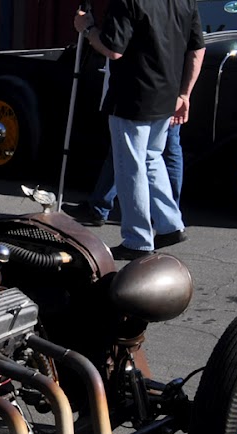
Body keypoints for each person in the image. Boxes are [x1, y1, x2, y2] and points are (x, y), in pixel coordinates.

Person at [74, 0, 204, 260]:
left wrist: (87, 29)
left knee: (130, 166)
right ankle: (169, 224)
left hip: (133, 95)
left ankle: (138, 239)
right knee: (151, 158)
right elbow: (197, 49)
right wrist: (185, 94)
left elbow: (113, 48)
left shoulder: (127, 1)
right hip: (167, 94)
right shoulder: (185, 1)